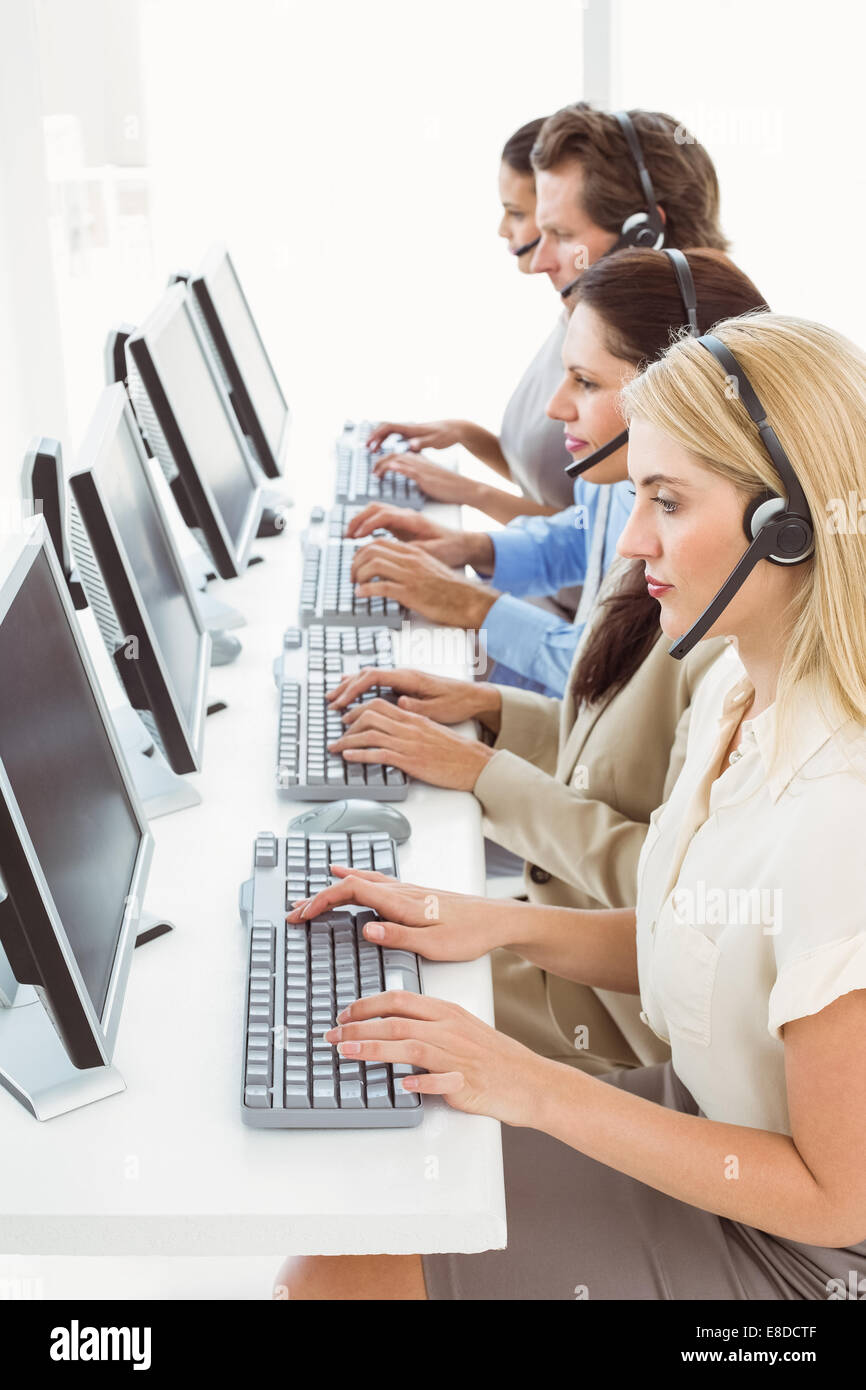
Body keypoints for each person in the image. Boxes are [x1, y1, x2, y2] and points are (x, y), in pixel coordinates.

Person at [278, 312, 866, 1300]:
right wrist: (486, 923)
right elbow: (708, 931)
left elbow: (832, 1197)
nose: (632, 542)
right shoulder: (736, 685)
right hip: (709, 1106)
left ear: (787, 527)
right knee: (359, 1188)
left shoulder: (839, 816)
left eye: (666, 503)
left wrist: (534, 1086)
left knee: (332, 1281)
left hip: (798, 1249)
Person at [327, 248, 766, 1072]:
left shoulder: (732, 642)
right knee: (346, 960)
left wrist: (483, 773)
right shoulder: (657, 555)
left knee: (347, 1009)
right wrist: (490, 713)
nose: (558, 405)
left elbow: (669, 892)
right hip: (573, 952)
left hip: (615, 1018)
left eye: (589, 382)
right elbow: (616, 755)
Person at [364, 103, 727, 530]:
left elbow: (594, 545)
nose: (538, 260)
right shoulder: (583, 319)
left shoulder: (679, 382)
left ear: (644, 236)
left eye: (563, 234)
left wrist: (469, 508)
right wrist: (466, 437)